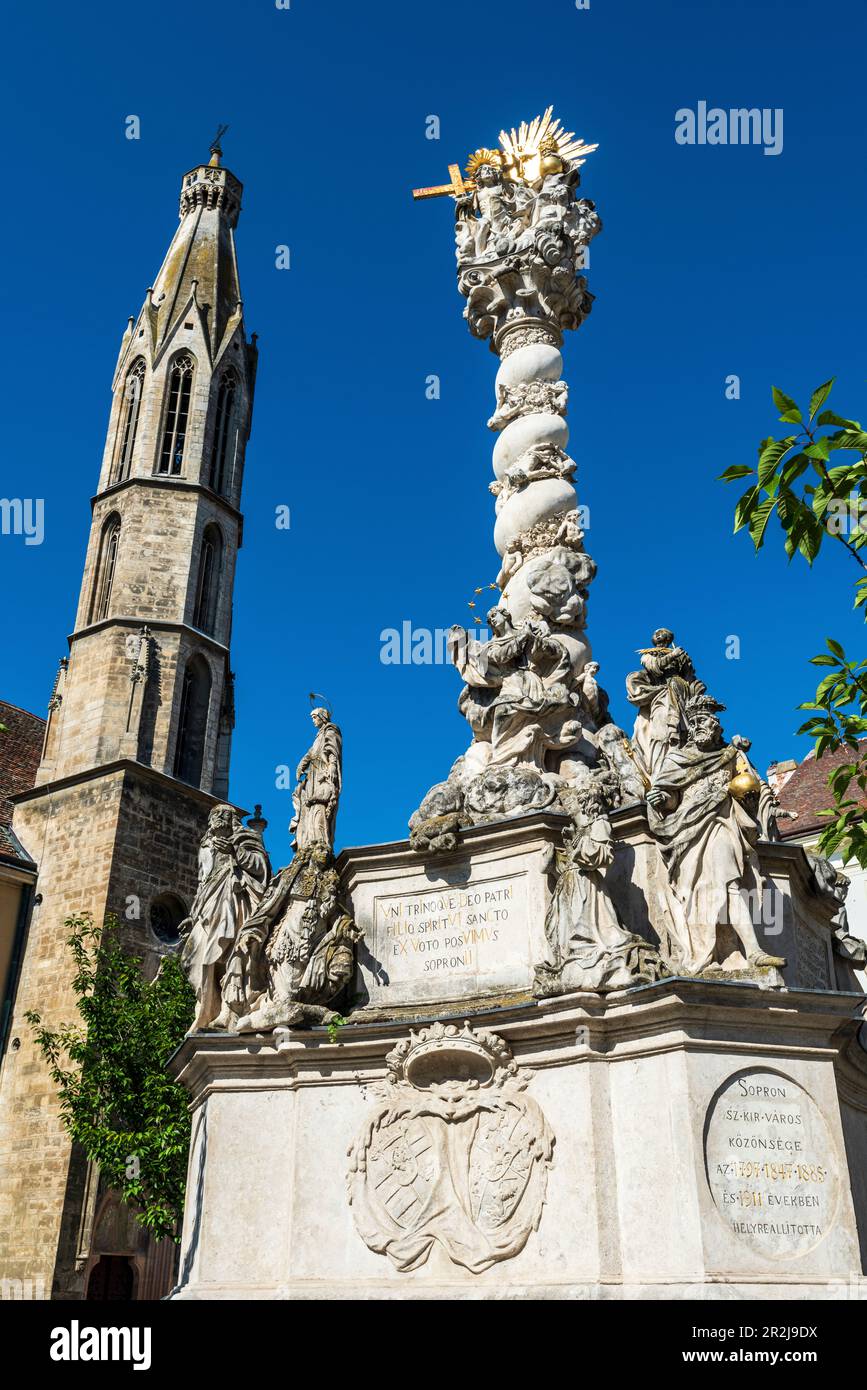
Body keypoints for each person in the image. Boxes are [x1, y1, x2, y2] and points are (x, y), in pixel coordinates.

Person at [645, 696, 786, 975]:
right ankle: (706, 953)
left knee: (730, 882)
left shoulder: (730, 755)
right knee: (696, 894)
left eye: (703, 720)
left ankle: (754, 950)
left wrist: (747, 791)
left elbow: (750, 789)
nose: (698, 726)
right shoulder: (677, 759)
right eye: (693, 722)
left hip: (720, 825)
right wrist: (661, 799)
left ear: (716, 725)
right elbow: (670, 800)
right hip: (686, 834)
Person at [179, 804, 271, 1031]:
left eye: (223, 814)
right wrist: (193, 916)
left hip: (233, 899)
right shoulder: (206, 845)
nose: (217, 818)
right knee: (191, 958)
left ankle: (228, 1011)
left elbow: (261, 867)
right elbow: (202, 882)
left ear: (232, 819)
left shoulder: (245, 837)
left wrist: (235, 851)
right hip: (207, 905)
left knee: (229, 955)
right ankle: (207, 1008)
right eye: (214, 815)